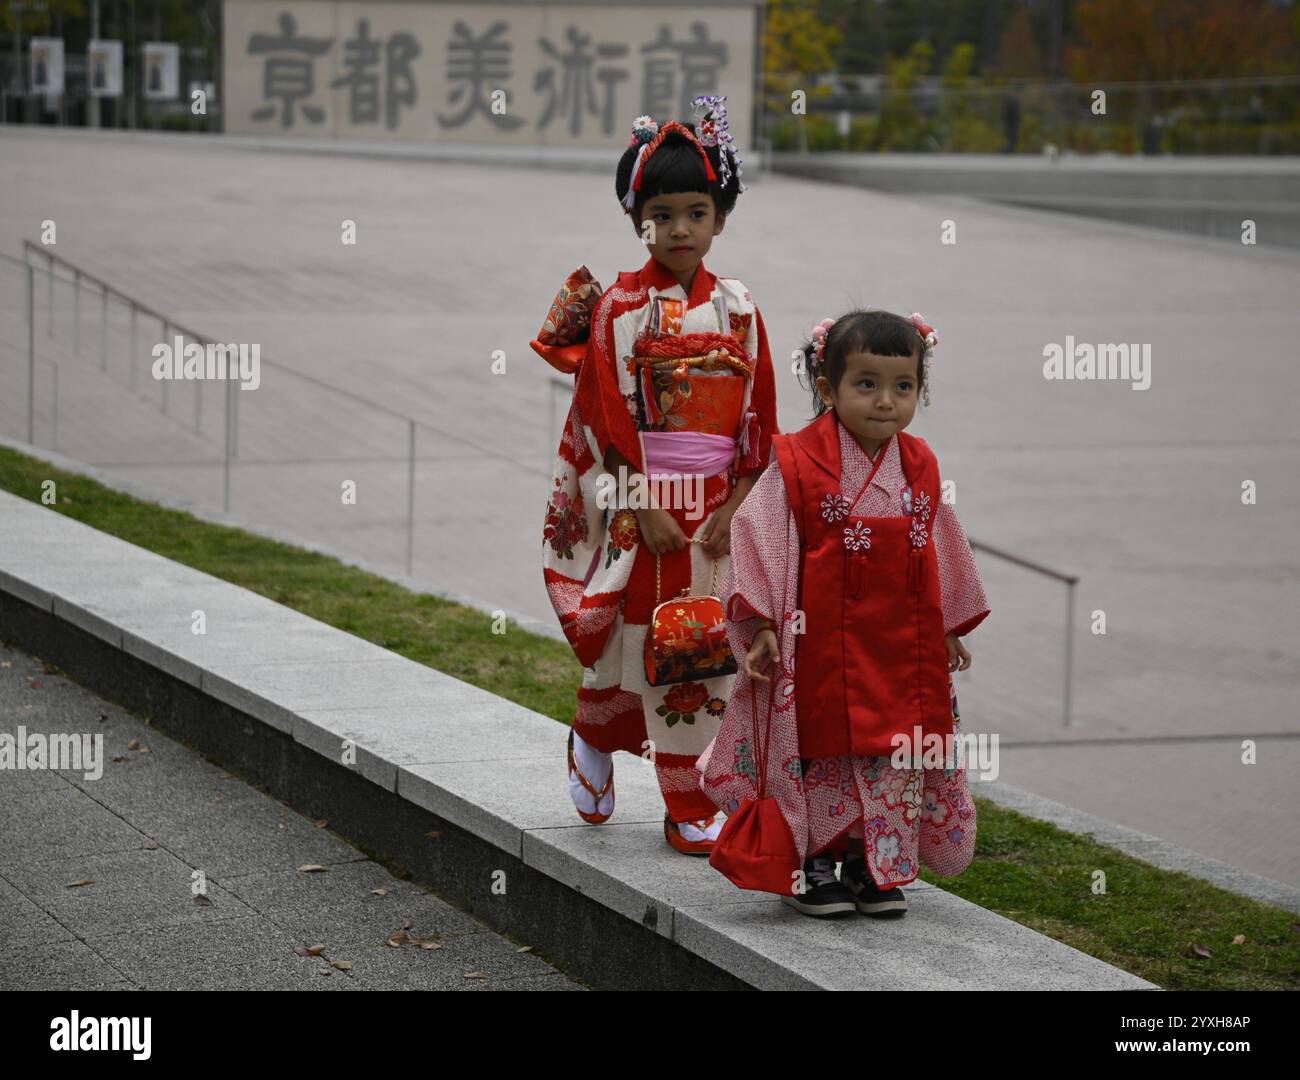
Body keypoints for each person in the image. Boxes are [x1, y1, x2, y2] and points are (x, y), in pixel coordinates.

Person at [539, 99, 778, 854]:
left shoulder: (739, 309)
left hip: (715, 508)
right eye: (661, 213)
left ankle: (687, 798)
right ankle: (593, 734)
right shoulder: (623, 306)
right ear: (636, 219)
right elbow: (608, 417)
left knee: (702, 646)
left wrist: (738, 502)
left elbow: (758, 420)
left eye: (696, 212)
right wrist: (642, 502)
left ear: (720, 219)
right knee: (635, 639)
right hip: (642, 498)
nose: (679, 229)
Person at [699, 309, 989, 912]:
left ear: (920, 390)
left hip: (898, 647)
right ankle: (813, 862)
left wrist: (947, 628)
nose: (885, 402)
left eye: (902, 387)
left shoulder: (920, 466)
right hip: (819, 644)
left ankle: (868, 860)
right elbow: (760, 535)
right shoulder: (799, 462)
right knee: (817, 750)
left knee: (889, 755)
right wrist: (762, 625)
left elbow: (939, 543)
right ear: (828, 388)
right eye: (866, 385)